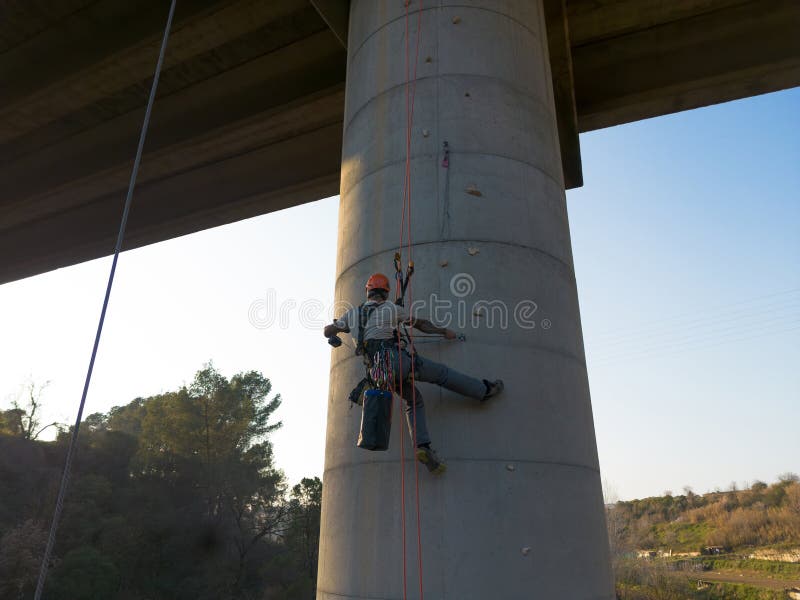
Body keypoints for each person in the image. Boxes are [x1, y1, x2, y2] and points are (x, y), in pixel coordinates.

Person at [324, 273, 504, 475]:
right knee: (441, 374)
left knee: (414, 400)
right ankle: (483, 391)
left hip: (378, 375)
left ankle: (423, 448)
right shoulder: (392, 309)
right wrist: (444, 331)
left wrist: (334, 335)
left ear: (367, 291)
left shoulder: (352, 314)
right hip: (396, 363)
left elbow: (327, 330)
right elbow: (421, 324)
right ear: (386, 293)